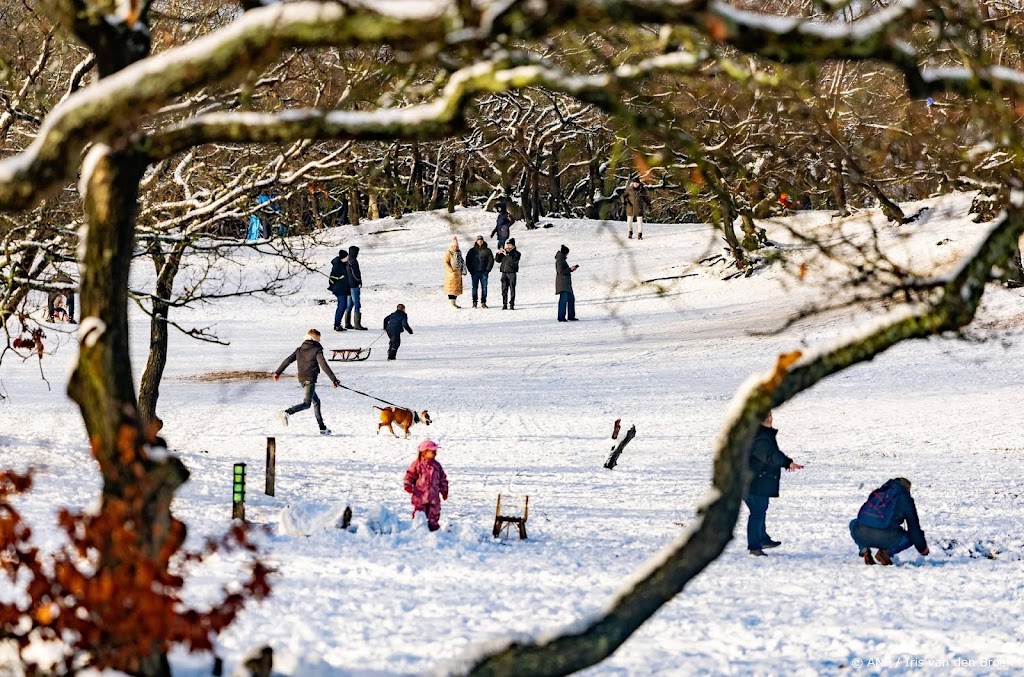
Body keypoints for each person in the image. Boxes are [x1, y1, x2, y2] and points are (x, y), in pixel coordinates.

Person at [745, 410, 804, 556]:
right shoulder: (758, 436)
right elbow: (769, 455)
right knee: (757, 511)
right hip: (751, 481)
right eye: (765, 416)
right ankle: (754, 546)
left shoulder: (763, 433)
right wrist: (787, 462)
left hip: (758, 480)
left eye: (770, 415)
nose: (770, 419)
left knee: (760, 509)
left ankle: (762, 539)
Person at [273, 329, 340, 436]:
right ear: (314, 338)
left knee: (316, 402)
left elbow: (288, 360)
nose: (320, 340)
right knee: (307, 404)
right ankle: (287, 412)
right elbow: (323, 365)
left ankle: (322, 428)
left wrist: (278, 372)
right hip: (309, 380)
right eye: (318, 338)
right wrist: (334, 380)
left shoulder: (300, 349)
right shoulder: (317, 350)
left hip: (302, 379)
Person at [849, 478, 929, 565]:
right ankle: (885, 553)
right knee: (911, 537)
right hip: (884, 536)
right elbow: (914, 529)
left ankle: (865, 551)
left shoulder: (878, 492)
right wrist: (922, 548)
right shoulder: (904, 498)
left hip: (860, 533)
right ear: (907, 489)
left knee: (853, 523)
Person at [404, 439, 449, 531]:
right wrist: (408, 485)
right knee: (420, 513)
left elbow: (443, 478)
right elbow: (409, 476)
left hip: (434, 496)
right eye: (432, 452)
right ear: (424, 452)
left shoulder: (437, 466)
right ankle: (419, 529)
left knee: (434, 512)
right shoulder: (417, 465)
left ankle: (434, 528)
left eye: (435, 452)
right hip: (420, 496)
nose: (435, 454)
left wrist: (444, 490)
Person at [465, 235, 495, 308]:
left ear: (483, 241)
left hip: (484, 272)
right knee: (474, 288)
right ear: (476, 241)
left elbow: (491, 260)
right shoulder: (472, 251)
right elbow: (468, 260)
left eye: (481, 240)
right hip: (474, 272)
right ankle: (474, 302)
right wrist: (470, 270)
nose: (480, 241)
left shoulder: (487, 250)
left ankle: (483, 302)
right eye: (478, 240)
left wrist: (487, 270)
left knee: (484, 288)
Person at [327, 249, 350, 332]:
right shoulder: (338, 266)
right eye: (346, 257)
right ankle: (337, 324)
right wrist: (335, 285)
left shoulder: (343, 264)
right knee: (342, 306)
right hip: (340, 289)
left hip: (343, 288)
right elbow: (332, 278)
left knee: (343, 306)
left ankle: (338, 323)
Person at [494, 238, 520, 310]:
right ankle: (504, 304)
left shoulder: (516, 253)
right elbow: (497, 260)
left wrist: (507, 254)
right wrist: (498, 253)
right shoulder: (505, 252)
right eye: (507, 245)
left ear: (513, 246)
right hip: (504, 273)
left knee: (512, 289)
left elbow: (514, 261)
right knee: (504, 289)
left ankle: (511, 304)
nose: (508, 246)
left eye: (510, 245)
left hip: (512, 273)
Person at [554, 244, 578, 322]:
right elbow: (561, 271)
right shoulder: (560, 260)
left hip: (566, 283)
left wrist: (570, 269)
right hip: (563, 284)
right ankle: (561, 317)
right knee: (563, 300)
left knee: (571, 299)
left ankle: (571, 316)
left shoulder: (562, 259)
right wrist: (570, 269)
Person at [345, 245, 367, 330]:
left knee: (349, 305)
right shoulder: (354, 261)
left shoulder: (347, 261)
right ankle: (357, 324)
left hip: (347, 286)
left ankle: (347, 323)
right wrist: (359, 281)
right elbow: (356, 273)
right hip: (354, 285)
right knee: (357, 304)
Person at [444, 235, 466, 308]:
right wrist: (451, 270)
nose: (455, 247)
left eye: (456, 246)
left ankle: (454, 303)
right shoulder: (448, 253)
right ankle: (451, 303)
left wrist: (463, 270)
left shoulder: (459, 253)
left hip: (458, 274)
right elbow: (446, 262)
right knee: (451, 289)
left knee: (456, 289)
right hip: (451, 274)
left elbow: (462, 261)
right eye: (454, 246)